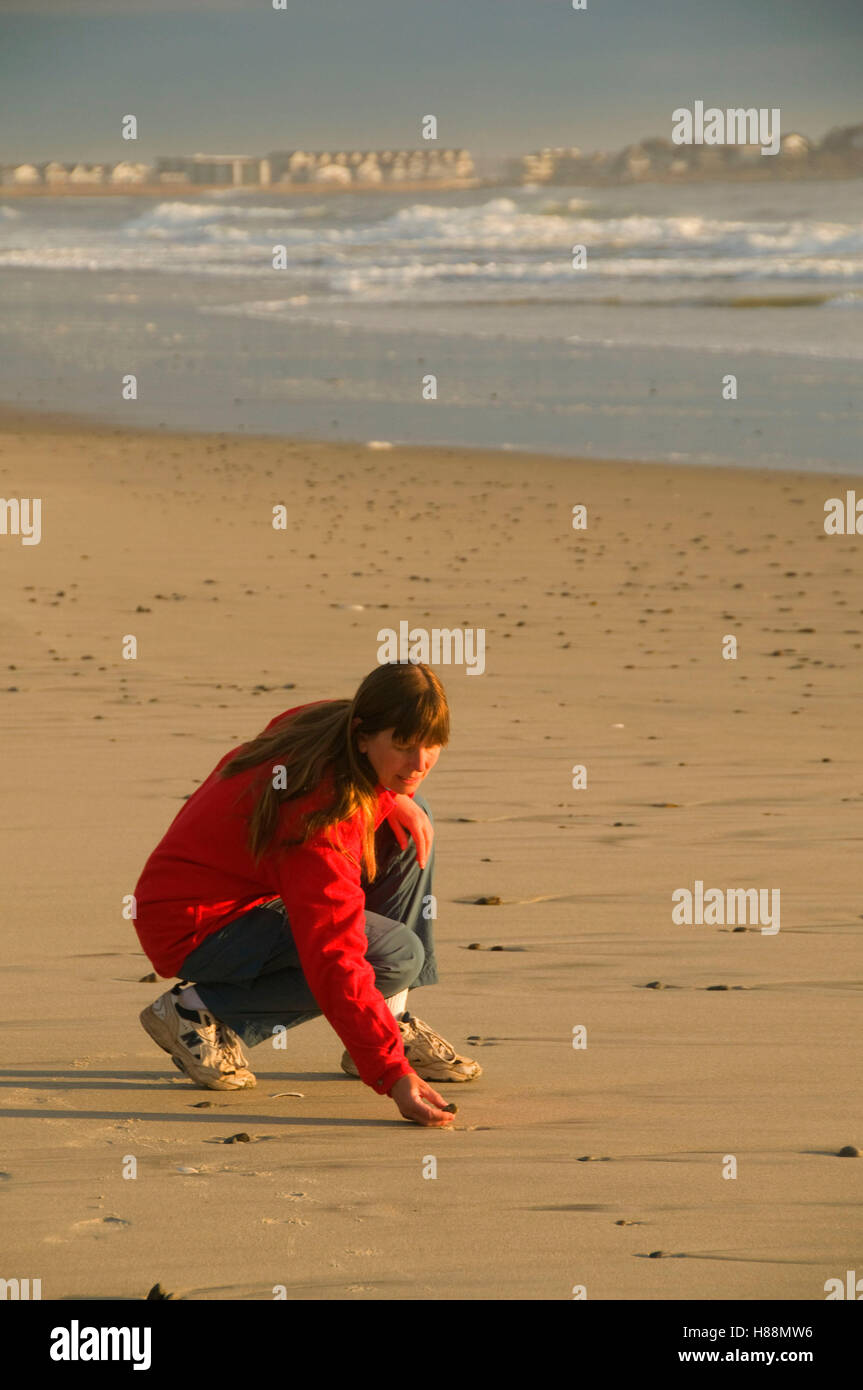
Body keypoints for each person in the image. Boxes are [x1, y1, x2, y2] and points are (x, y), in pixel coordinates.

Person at [133, 661, 481, 1128]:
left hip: (242, 892)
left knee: (411, 814)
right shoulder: (320, 821)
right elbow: (333, 954)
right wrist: (392, 1075)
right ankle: (194, 1011)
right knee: (396, 957)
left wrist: (394, 795)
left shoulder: (325, 722)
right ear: (362, 735)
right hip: (195, 924)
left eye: (432, 744)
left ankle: (390, 1018)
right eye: (402, 746)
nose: (420, 762)